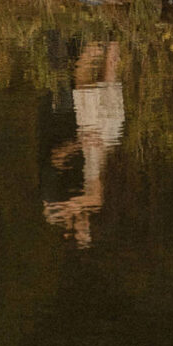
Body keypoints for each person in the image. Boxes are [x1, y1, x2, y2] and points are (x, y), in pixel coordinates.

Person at [45, 39, 124, 248]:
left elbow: (56, 158)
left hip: (95, 137)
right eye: (86, 231)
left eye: (81, 232)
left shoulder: (69, 197)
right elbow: (95, 196)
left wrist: (64, 209)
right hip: (101, 138)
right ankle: (109, 29)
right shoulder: (92, 204)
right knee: (100, 74)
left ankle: (104, 31)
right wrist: (67, 207)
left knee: (91, 78)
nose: (84, 227)